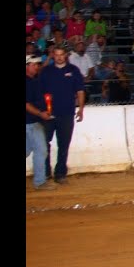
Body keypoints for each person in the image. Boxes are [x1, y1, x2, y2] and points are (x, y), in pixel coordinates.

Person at [40, 46, 86, 184]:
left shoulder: (73, 70)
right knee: (44, 143)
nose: (59, 57)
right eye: (57, 54)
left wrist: (81, 109)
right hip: (48, 113)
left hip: (66, 113)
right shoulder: (46, 71)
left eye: (62, 54)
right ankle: (45, 172)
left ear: (66, 55)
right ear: (53, 55)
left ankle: (60, 173)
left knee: (64, 144)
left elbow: (80, 91)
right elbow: (40, 92)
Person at [26, 55, 57, 191]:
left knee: (28, 150)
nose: (37, 66)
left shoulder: (34, 81)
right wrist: (40, 113)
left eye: (38, 64)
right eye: (34, 64)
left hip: (32, 121)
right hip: (31, 122)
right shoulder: (28, 82)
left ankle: (40, 181)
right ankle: (40, 181)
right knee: (41, 150)